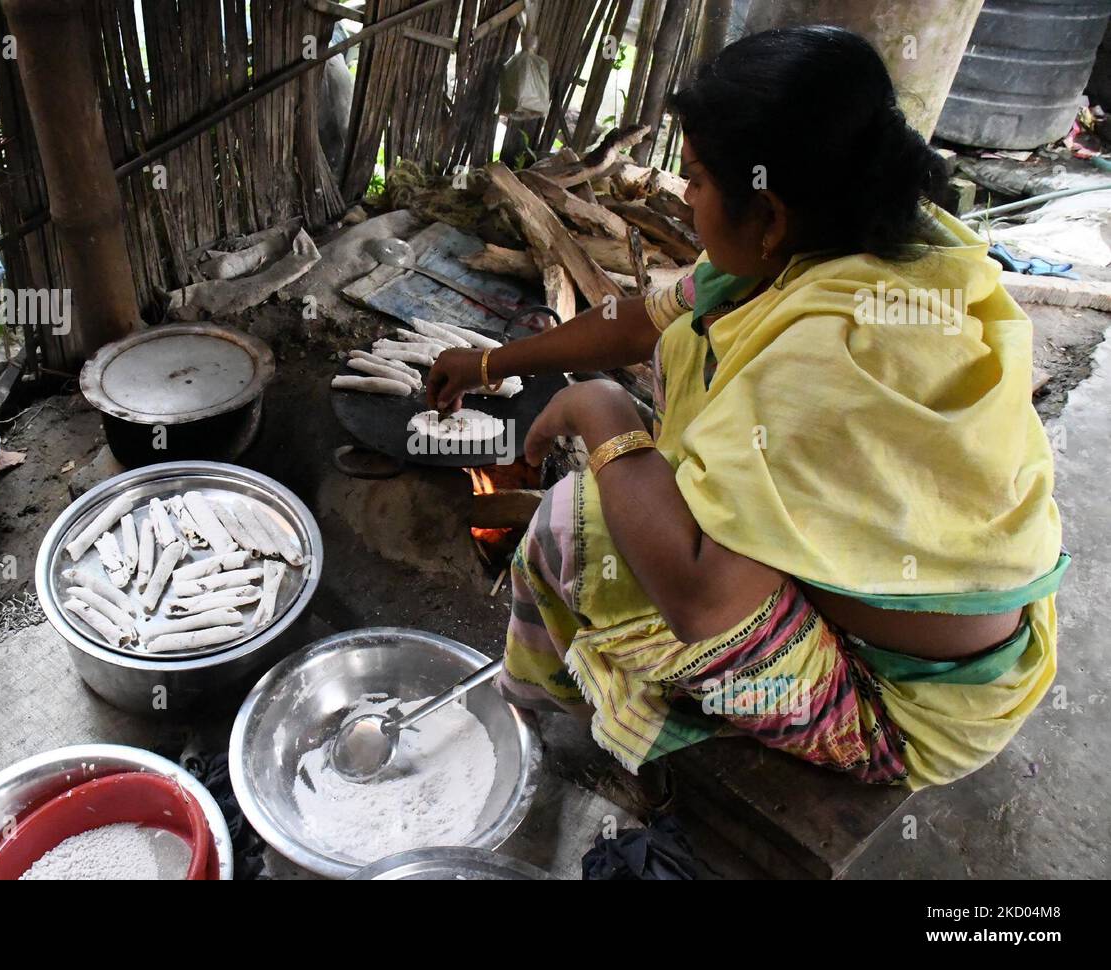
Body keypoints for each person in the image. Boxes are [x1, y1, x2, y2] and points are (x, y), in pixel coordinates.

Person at [426, 25, 1066, 790]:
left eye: (693, 180)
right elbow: (635, 320)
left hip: (903, 704)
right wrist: (490, 363)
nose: (686, 197)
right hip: (906, 617)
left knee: (578, 525)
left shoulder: (830, 354)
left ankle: (537, 710)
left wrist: (601, 414)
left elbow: (702, 597)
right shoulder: (847, 232)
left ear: (767, 216)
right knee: (685, 356)